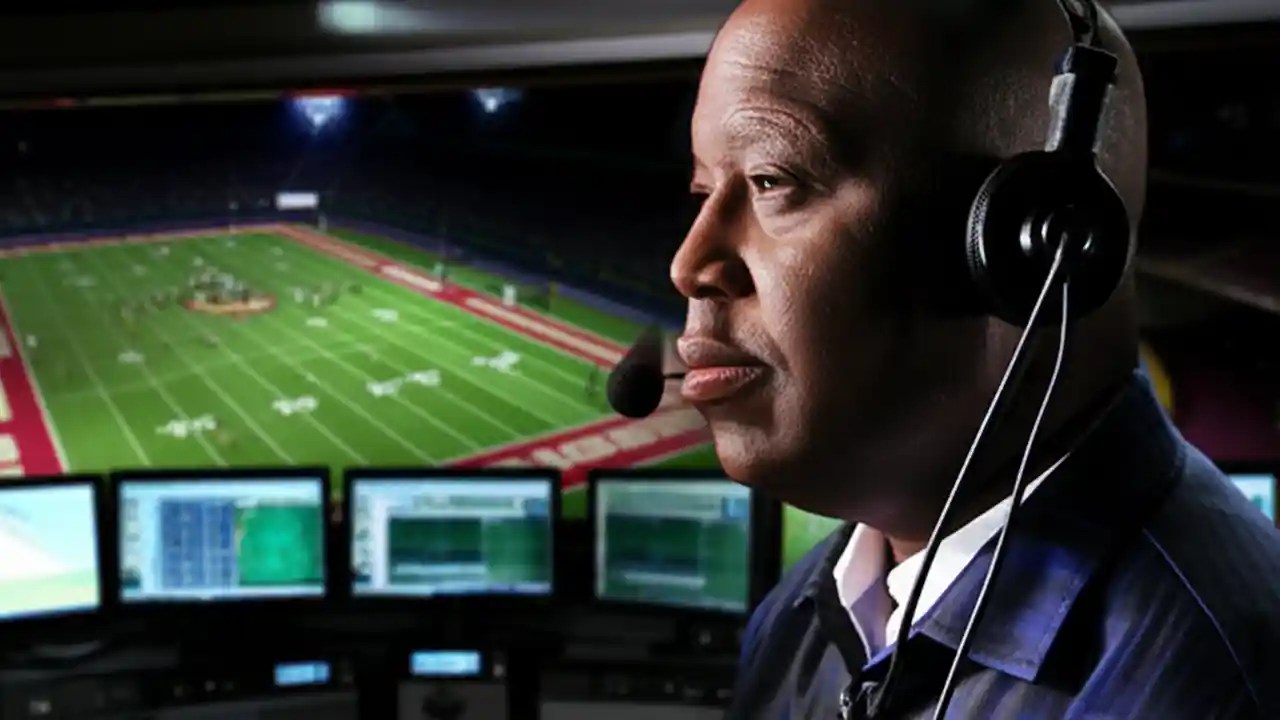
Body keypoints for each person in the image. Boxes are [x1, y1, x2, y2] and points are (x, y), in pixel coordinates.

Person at [667, 0, 1280, 717]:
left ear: (1040, 238)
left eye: (773, 181)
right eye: (706, 193)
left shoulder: (1211, 676)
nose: (691, 264)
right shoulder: (801, 613)